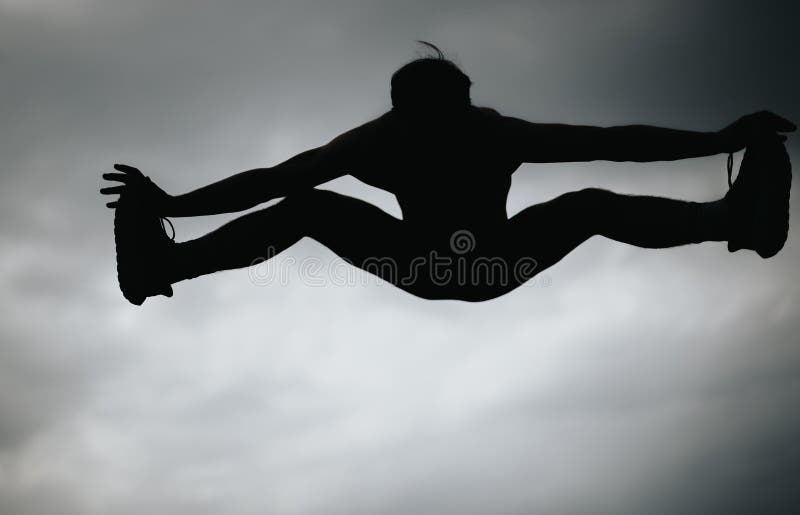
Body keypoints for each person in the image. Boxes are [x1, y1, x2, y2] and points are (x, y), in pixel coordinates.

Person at [101, 42, 794, 306]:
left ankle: (730, 219)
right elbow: (274, 182)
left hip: (434, 265)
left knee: (586, 202)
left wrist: (723, 136)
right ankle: (726, 221)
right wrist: (172, 201)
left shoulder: (399, 138)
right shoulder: (447, 134)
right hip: (483, 262)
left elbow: (616, 142)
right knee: (586, 203)